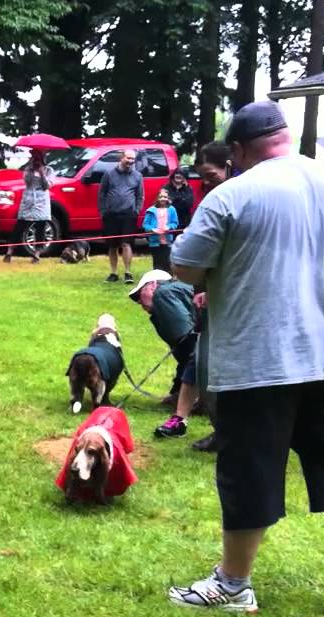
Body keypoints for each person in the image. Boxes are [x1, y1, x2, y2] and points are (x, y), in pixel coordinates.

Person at [167, 100, 324, 613]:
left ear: (240, 150)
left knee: (249, 468)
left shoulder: (233, 194)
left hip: (258, 357)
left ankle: (233, 585)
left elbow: (184, 268)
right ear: (285, 138)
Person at [188, 141, 233, 453]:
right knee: (207, 367)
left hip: (235, 297)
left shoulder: (241, 196)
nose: (206, 180)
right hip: (210, 291)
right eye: (202, 175)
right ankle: (221, 431)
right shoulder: (209, 197)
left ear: (229, 164)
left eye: (210, 173)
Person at [128, 269, 198, 439]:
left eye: (139, 295)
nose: (140, 304)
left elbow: (188, 343)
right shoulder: (177, 292)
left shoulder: (163, 295)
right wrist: (176, 391)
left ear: (153, 285)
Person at [98, 149, 143, 283]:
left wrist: (137, 210)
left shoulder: (137, 176)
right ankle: (113, 273)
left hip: (129, 214)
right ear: (121, 158)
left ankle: (128, 272)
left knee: (126, 244)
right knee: (112, 245)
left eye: (133, 159)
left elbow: (140, 196)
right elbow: (102, 194)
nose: (131, 161)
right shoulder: (109, 174)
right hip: (111, 215)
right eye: (128, 158)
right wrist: (103, 211)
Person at [15, 148, 54, 264]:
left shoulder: (49, 170)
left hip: (41, 202)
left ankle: (37, 254)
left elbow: (47, 186)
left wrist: (42, 173)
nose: (36, 160)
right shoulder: (29, 169)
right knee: (20, 225)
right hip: (28, 200)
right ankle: (10, 251)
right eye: (34, 157)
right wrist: (31, 169)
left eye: (38, 157)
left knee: (40, 227)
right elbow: (27, 182)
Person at [143, 188, 180, 272]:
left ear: (168, 198)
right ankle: (158, 281)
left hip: (167, 241)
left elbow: (175, 223)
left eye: (165, 197)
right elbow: (146, 225)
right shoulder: (150, 210)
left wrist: (169, 227)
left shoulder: (172, 209)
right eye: (161, 197)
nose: (163, 199)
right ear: (157, 198)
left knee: (167, 262)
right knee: (157, 263)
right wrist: (153, 229)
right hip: (154, 241)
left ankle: (169, 280)